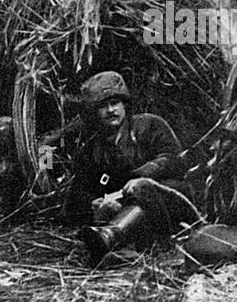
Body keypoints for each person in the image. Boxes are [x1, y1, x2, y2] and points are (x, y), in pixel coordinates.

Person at [57, 71, 200, 263]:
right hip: (122, 209)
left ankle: (125, 241)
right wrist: (95, 204)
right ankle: (119, 242)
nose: (110, 110)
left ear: (124, 104)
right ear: (94, 112)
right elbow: (77, 196)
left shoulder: (150, 125)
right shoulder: (91, 150)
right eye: (102, 106)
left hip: (168, 203)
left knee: (143, 189)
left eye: (114, 103)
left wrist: (141, 176)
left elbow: (174, 160)